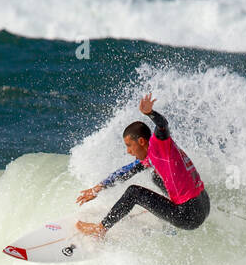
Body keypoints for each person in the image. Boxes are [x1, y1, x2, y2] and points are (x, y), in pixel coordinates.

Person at [76, 94, 210, 237]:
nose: (128, 151)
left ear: (141, 141)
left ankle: (100, 230)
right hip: (203, 204)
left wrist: (150, 113)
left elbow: (162, 125)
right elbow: (126, 172)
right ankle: (169, 208)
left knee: (134, 192)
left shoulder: (160, 144)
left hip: (188, 216)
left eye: (129, 145)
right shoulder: (153, 156)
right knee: (155, 177)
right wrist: (99, 187)